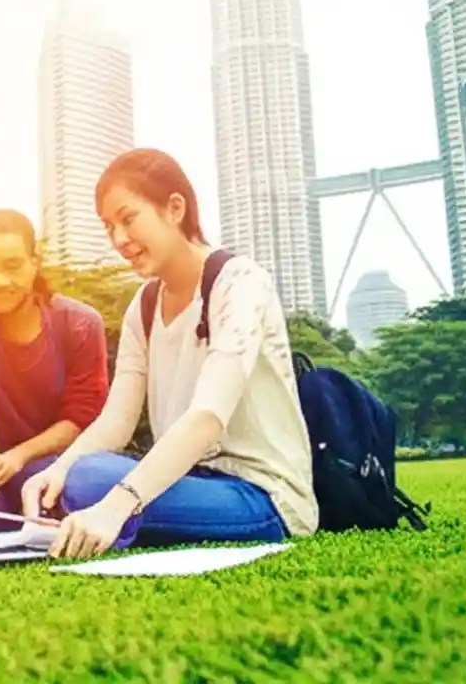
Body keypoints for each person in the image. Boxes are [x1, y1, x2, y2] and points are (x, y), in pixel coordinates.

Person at [21, 148, 319, 558]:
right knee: (70, 474)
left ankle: (112, 519)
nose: (119, 239)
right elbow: (116, 422)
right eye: (109, 227)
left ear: (175, 208)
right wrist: (57, 470)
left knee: (92, 481)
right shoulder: (143, 307)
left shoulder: (239, 282)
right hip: (188, 480)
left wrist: (116, 504)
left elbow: (208, 416)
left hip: (262, 495)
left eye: (128, 219)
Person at [0, 209, 109, 533]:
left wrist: (18, 456)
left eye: (13, 266)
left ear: (34, 263)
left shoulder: (80, 323)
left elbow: (83, 417)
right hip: (7, 468)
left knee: (56, 494)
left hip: (71, 464)